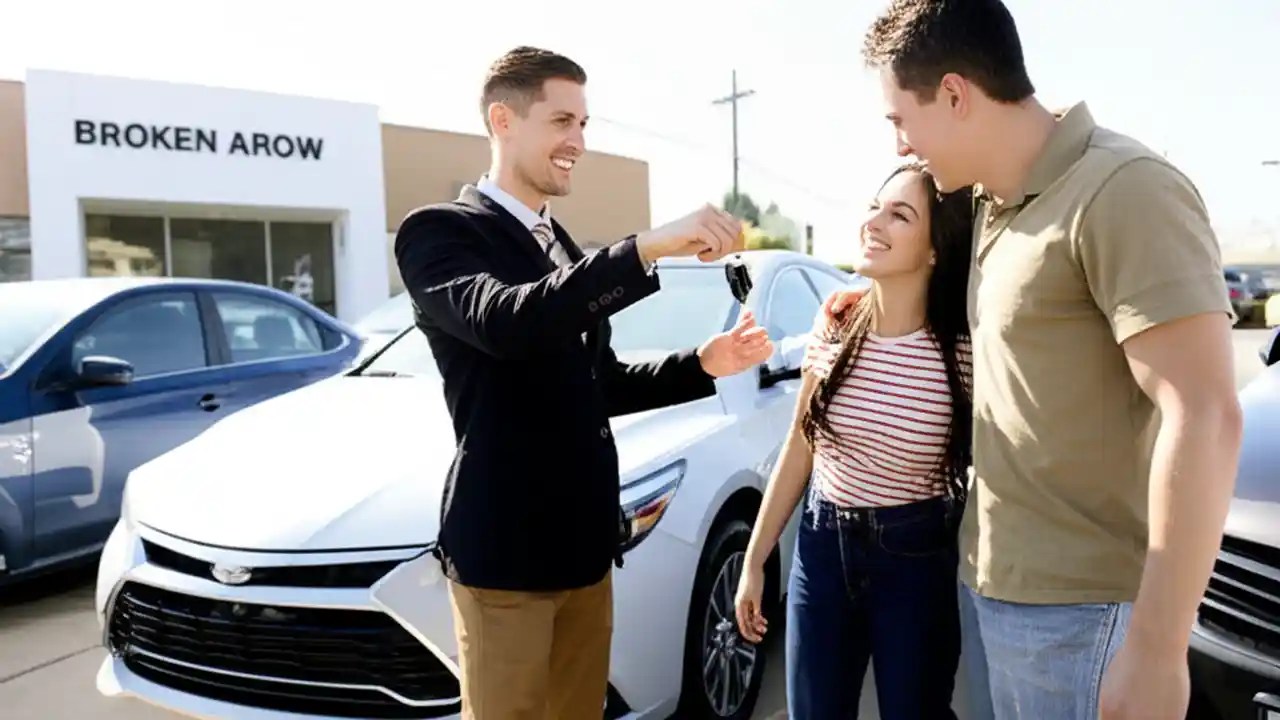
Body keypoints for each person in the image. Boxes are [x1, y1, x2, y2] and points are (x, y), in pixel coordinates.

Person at [821, 2, 1244, 718]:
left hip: (1083, 617)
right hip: (990, 588)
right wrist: (858, 306)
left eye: (900, 120)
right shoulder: (992, 203)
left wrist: (1157, 651)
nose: (900, 146)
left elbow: (1204, 414)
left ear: (954, 95)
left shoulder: (1123, 189)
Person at [393, 46, 773, 720]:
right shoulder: (440, 234)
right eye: (562, 120)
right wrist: (646, 247)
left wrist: (703, 362)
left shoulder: (561, 245)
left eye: (585, 124)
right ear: (503, 120)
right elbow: (508, 321)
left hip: (587, 553)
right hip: (505, 559)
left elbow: (598, 383)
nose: (578, 141)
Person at [734, 161, 974, 719]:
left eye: (900, 215)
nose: (875, 222)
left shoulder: (961, 350)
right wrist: (755, 560)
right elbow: (801, 443)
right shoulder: (836, 323)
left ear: (935, 249)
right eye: (874, 207)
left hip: (915, 557)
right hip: (822, 548)